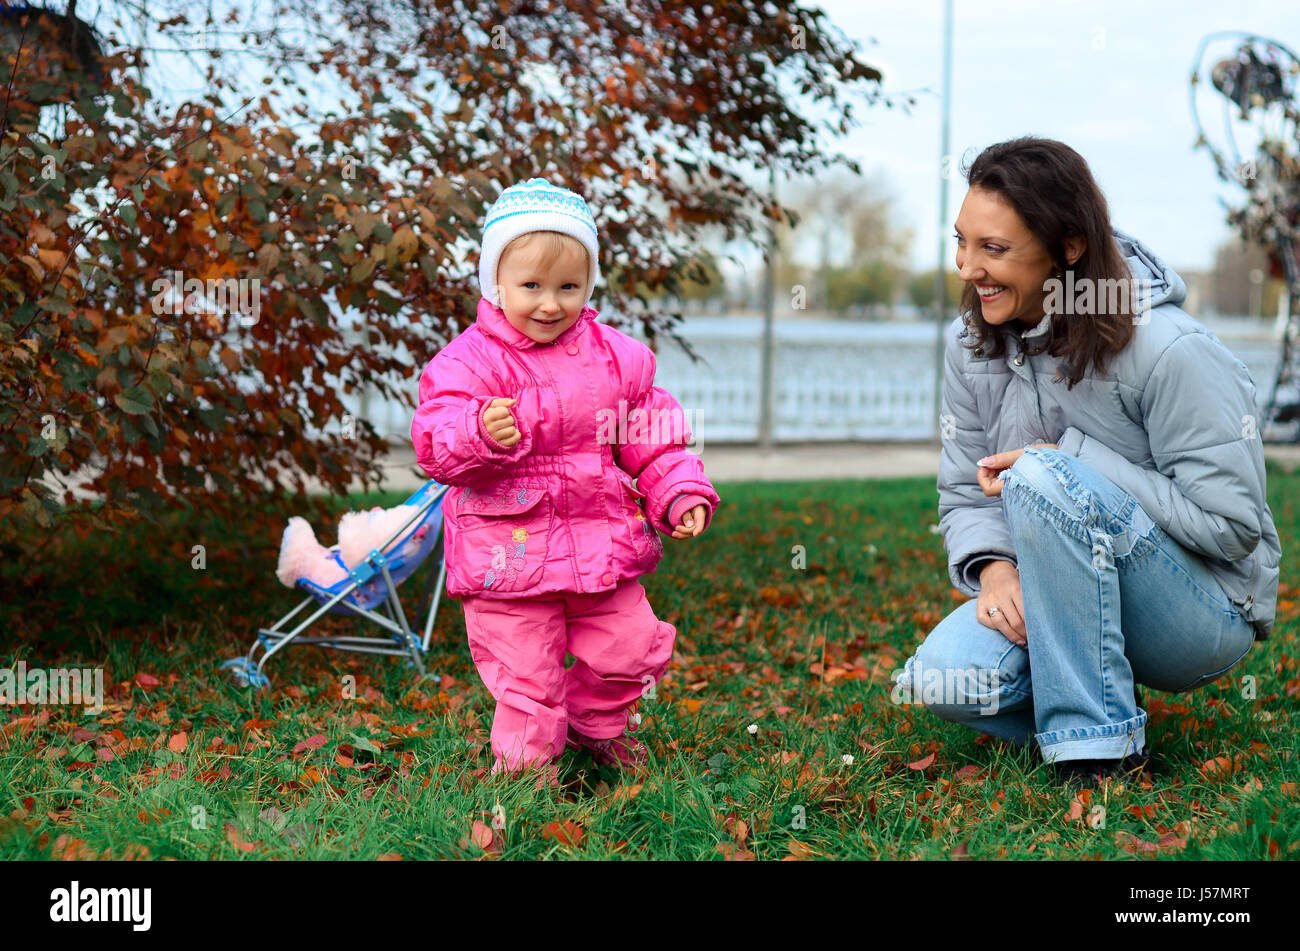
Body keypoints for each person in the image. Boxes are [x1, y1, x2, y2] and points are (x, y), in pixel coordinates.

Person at [894, 137, 1281, 789]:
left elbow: (1232, 525)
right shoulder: (972, 345)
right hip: (1065, 590)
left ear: (1068, 247)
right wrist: (994, 572)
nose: (967, 268)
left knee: (1045, 474)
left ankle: (1100, 753)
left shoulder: (1170, 349)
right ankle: (1103, 705)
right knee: (940, 679)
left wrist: (1070, 464)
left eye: (994, 249)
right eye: (962, 241)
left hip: (1202, 611)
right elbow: (966, 488)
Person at [411, 177, 718, 785]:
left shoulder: (617, 359)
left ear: (588, 285)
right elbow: (435, 442)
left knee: (635, 648)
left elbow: (651, 436)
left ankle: (592, 724)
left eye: (568, 287)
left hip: (601, 549)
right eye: (531, 286)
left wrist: (677, 489)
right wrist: (479, 432)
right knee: (527, 678)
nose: (550, 303)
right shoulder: (469, 362)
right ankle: (526, 780)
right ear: (495, 283)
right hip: (511, 559)